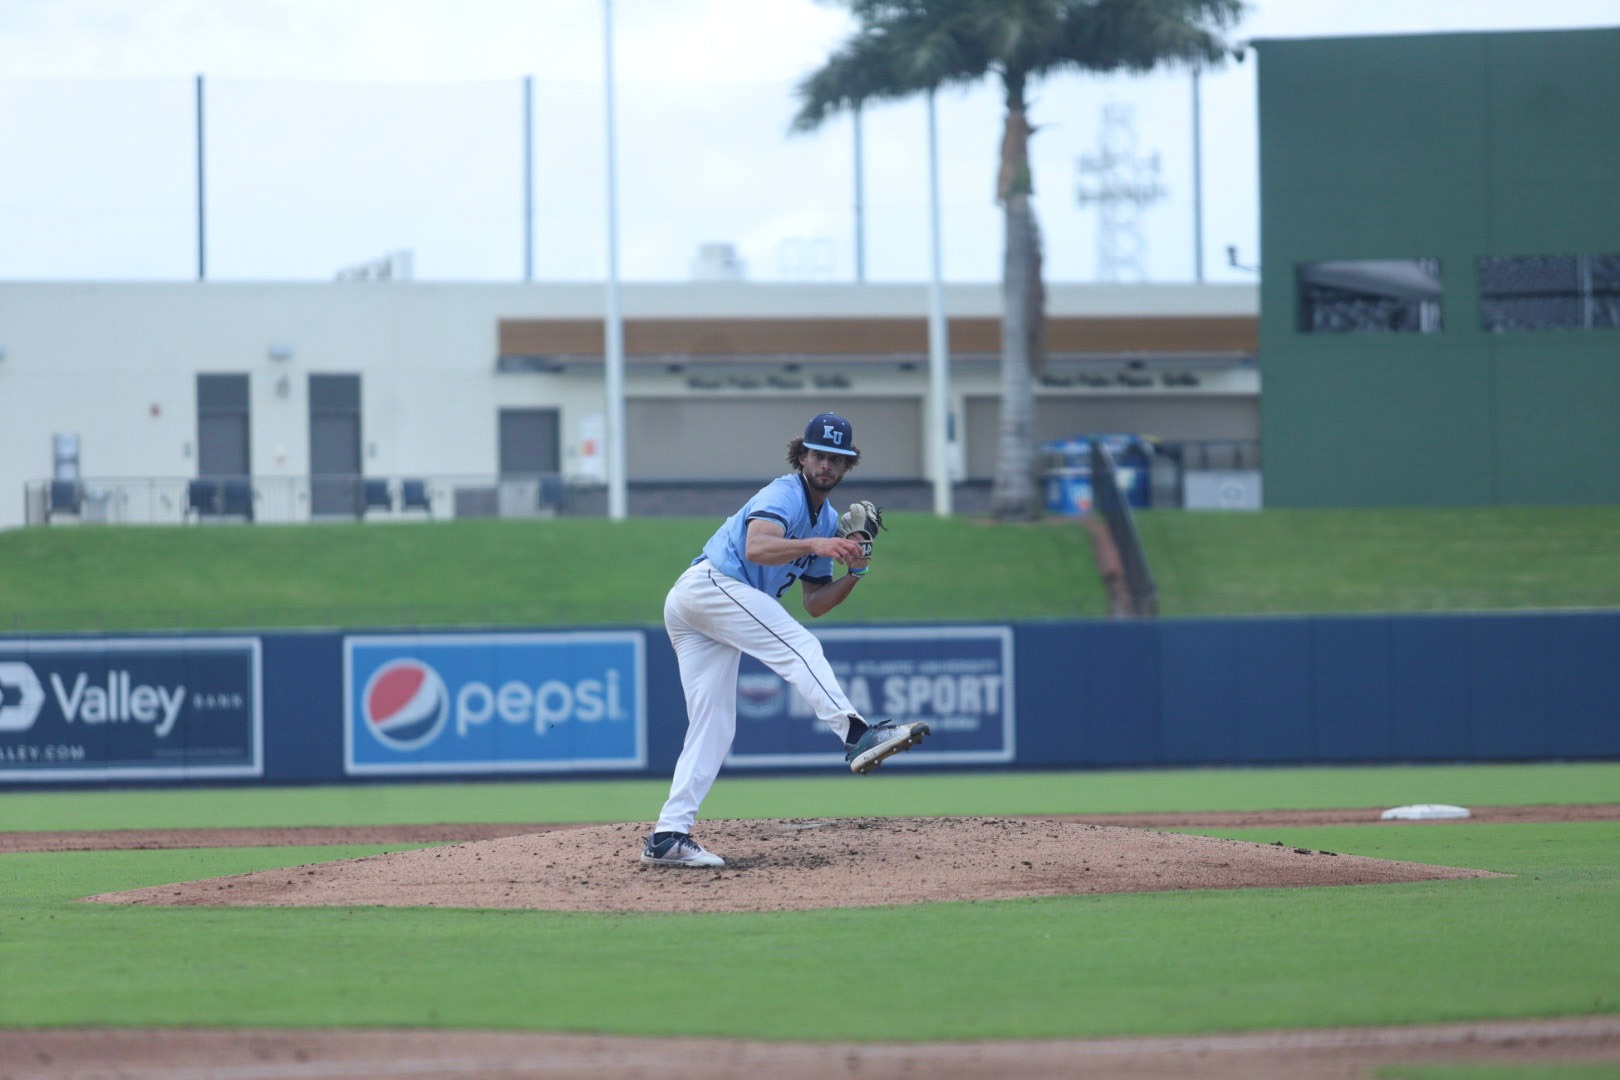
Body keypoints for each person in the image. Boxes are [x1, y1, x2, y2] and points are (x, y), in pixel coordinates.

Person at [642, 411, 930, 869]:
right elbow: (757, 546)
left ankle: (668, 835)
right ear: (802, 457)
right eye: (819, 454)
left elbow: (814, 602)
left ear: (847, 465)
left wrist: (855, 572)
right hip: (711, 586)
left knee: (715, 724)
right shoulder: (785, 493)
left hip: (706, 606)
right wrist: (817, 545)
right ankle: (857, 735)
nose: (826, 464)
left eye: (837, 458)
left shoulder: (827, 519)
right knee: (802, 648)